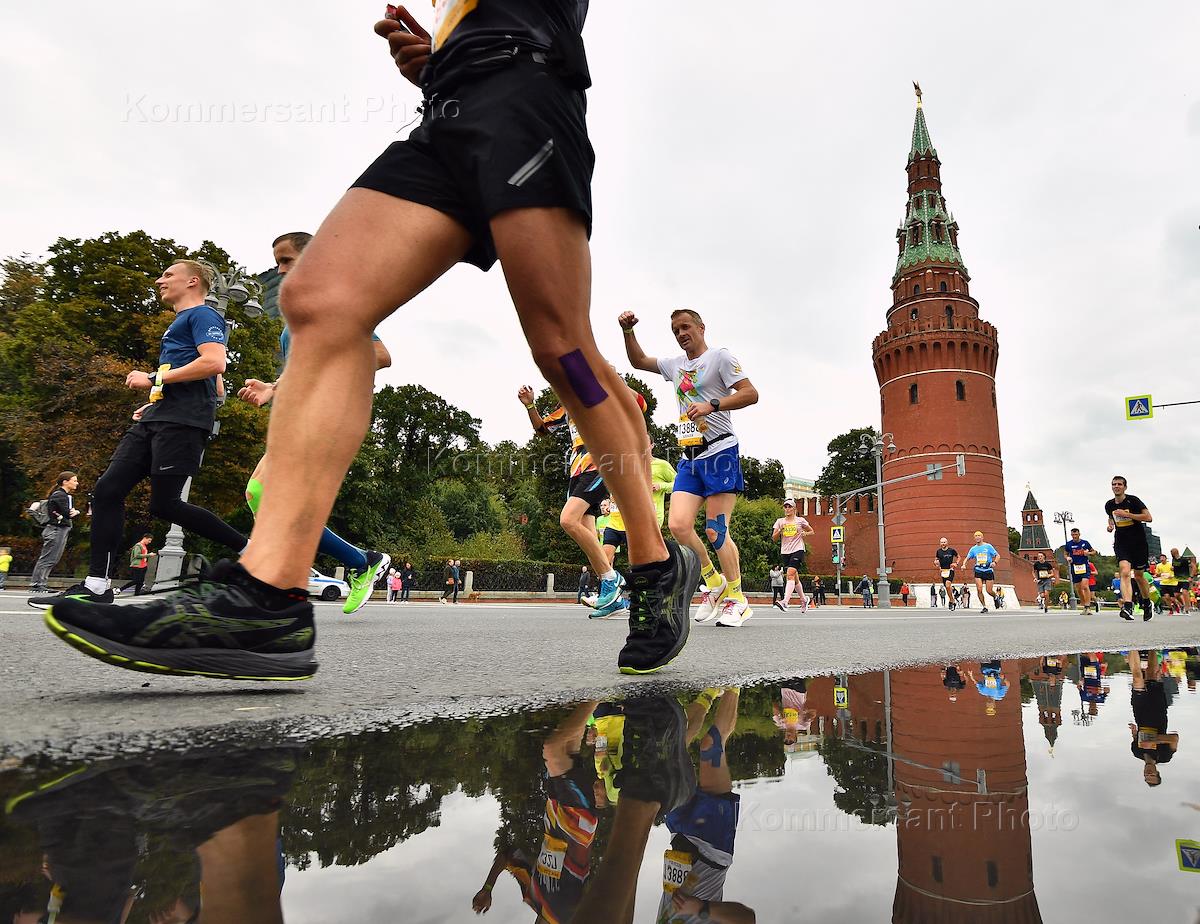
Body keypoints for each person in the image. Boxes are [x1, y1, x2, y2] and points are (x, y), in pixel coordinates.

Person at [46, 5, 700, 681]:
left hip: (528, 95)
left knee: (562, 348)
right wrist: (441, 58)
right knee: (317, 301)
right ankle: (268, 596)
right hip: (448, 111)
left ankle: (654, 562)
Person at [33, 260, 258, 614]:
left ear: (193, 281)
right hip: (160, 415)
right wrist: (155, 400)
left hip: (183, 422)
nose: (160, 280)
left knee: (165, 505)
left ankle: (251, 551)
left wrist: (153, 379)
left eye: (169, 275)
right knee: (107, 491)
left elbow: (215, 364)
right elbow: (212, 385)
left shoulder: (204, 316)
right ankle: (96, 586)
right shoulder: (180, 323)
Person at [238, 232, 393, 616]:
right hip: (295, 414)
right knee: (259, 496)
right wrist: (274, 387)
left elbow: (381, 355)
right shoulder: (293, 318)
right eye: (277, 261)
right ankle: (361, 561)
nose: (280, 269)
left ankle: (267, 590)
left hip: (323, 416)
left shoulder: (332, 303)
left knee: (275, 501)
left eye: (287, 260)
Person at [619, 308, 759, 628]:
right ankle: (713, 581)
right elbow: (638, 361)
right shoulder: (675, 364)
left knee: (715, 530)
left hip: (720, 451)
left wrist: (713, 405)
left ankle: (737, 598)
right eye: (675, 330)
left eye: (685, 327)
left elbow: (751, 393)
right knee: (679, 526)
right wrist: (628, 332)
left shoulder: (720, 358)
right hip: (689, 456)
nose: (681, 333)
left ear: (700, 327)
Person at [520, 385, 640, 619]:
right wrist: (530, 405)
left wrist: (614, 379)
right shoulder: (567, 405)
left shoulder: (600, 393)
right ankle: (613, 601)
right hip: (577, 470)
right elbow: (543, 430)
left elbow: (640, 404)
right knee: (588, 536)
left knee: (567, 520)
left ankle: (611, 579)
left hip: (601, 464)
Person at [1105, 476, 1154, 621]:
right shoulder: (1109, 505)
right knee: (1124, 572)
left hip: (1138, 542)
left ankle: (1146, 602)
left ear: (1125, 487)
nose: (1116, 486)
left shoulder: (1133, 501)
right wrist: (1110, 525)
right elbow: (1111, 516)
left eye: (1119, 484)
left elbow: (1148, 517)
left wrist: (1128, 514)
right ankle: (1127, 606)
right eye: (1114, 484)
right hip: (1122, 542)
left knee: (1139, 576)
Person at [1128, 649, 1179, 786]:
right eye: (1152, 776)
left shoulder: (1136, 752)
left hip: (1140, 711)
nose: (1148, 774)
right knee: (1151, 672)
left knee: (1137, 678)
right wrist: (1155, 739)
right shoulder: (1165, 756)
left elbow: (1135, 738)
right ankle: (1152, 645)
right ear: (1157, 773)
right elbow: (1174, 738)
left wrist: (1133, 732)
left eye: (1146, 777)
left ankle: (1131, 643)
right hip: (1158, 709)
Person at [28, 472, 80, 595]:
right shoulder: (60, 496)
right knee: (48, 558)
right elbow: (67, 514)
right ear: (65, 482)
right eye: (74, 480)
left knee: (52, 558)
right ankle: (37, 584)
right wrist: (76, 512)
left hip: (58, 529)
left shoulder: (63, 496)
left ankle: (41, 583)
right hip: (56, 530)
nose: (76, 483)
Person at [771, 499, 812, 613]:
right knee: (794, 577)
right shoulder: (780, 521)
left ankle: (785, 602)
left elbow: (811, 531)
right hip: (785, 551)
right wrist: (780, 531)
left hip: (798, 549)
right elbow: (773, 538)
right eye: (785, 507)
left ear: (794, 509)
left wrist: (805, 533)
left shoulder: (800, 521)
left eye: (790, 507)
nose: (787, 509)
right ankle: (804, 600)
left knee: (790, 574)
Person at [1063, 527, 1098, 613]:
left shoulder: (1085, 543)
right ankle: (1084, 604)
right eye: (1073, 535)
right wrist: (1067, 557)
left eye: (1076, 534)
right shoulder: (1069, 544)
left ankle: (1088, 606)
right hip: (1075, 567)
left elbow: (1094, 552)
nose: (1074, 536)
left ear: (1079, 534)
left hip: (1084, 567)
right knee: (1078, 588)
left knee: (1085, 586)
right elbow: (1065, 553)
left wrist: (1088, 553)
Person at [965, 530, 1000, 613]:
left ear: (982, 537)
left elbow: (997, 555)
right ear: (974, 538)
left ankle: (995, 597)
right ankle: (984, 606)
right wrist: (964, 564)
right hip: (978, 570)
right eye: (976, 536)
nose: (977, 537)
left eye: (979, 535)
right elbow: (967, 557)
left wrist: (995, 562)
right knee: (979, 589)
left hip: (988, 570)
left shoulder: (988, 546)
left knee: (989, 591)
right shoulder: (973, 549)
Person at [933, 537, 960, 610]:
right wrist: (936, 563)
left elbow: (958, 557)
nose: (943, 544)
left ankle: (951, 600)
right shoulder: (938, 551)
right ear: (940, 543)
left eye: (944, 542)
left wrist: (956, 563)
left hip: (950, 570)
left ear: (947, 543)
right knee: (947, 588)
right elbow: (936, 560)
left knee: (948, 585)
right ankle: (952, 601)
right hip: (943, 571)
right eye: (941, 542)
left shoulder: (951, 550)